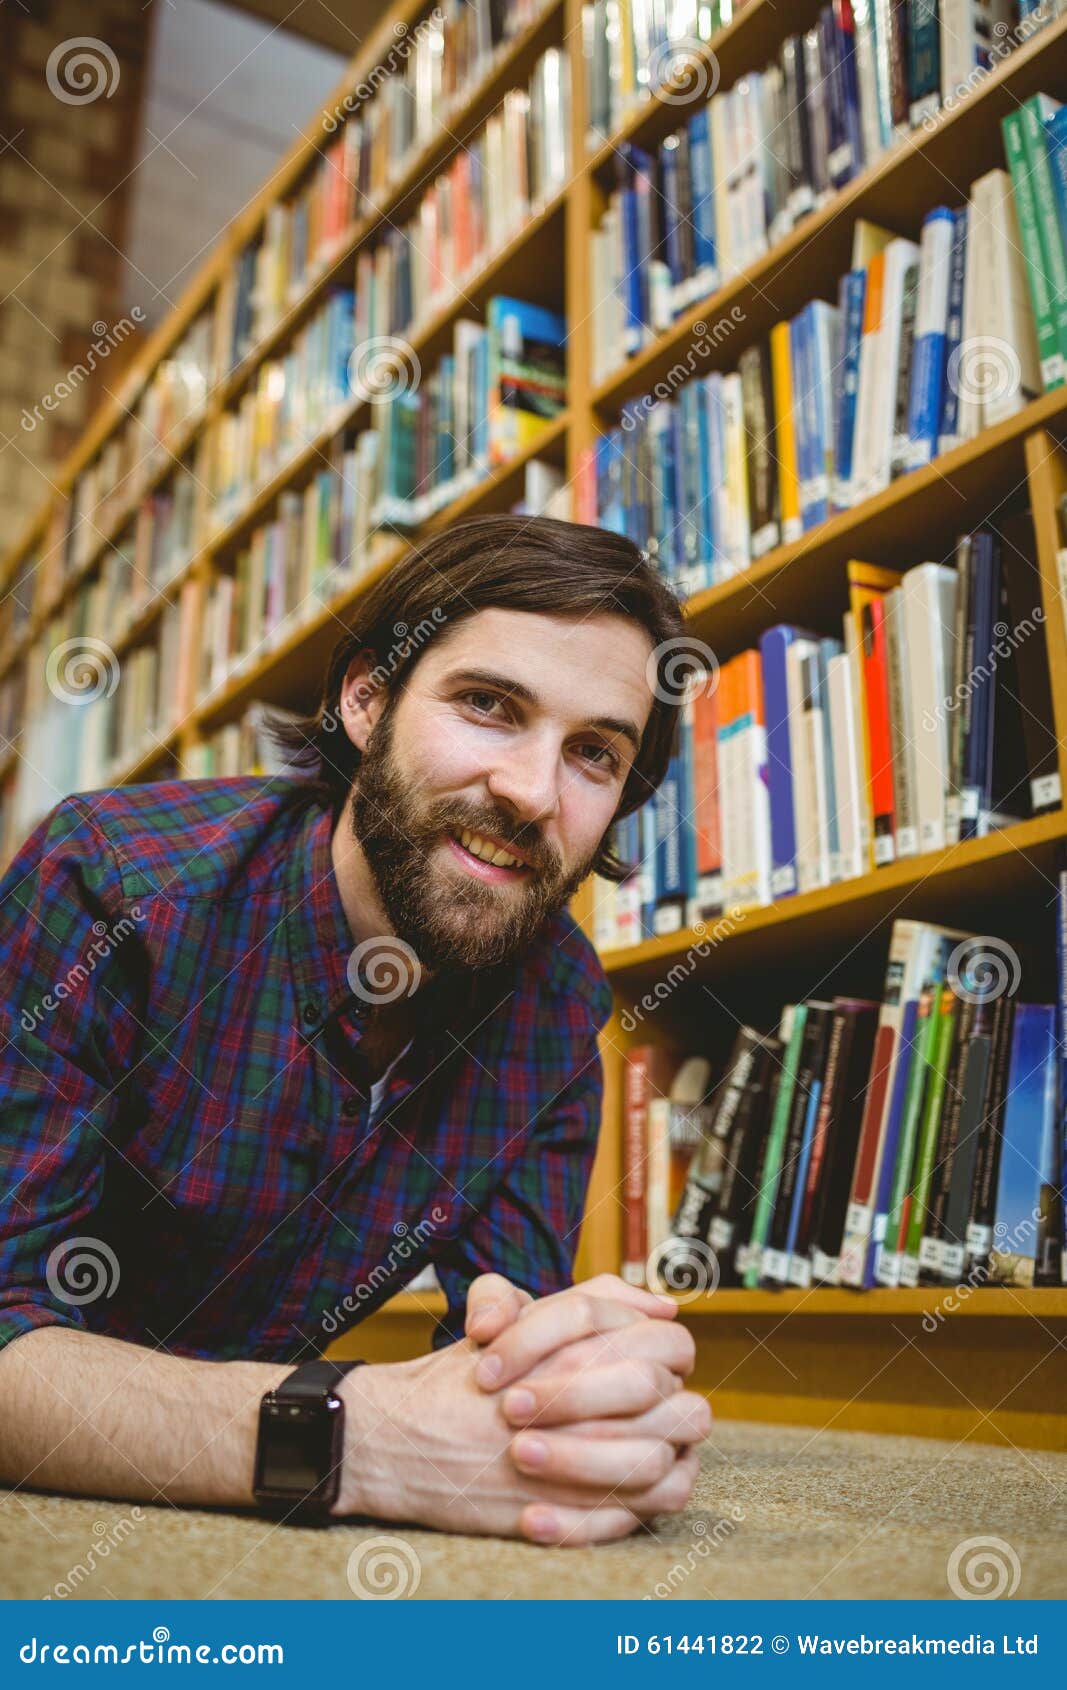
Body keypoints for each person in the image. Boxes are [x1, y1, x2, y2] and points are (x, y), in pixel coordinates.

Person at [0, 514, 711, 1547]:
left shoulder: (557, 1000)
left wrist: (582, 1398)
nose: (530, 791)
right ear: (366, 700)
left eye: (592, 754)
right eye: (486, 705)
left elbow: (500, 1349)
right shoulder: (110, 886)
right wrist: (351, 1433)